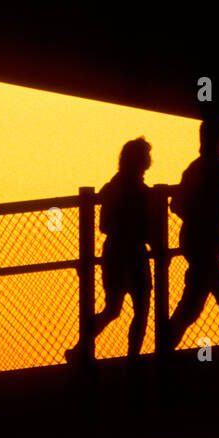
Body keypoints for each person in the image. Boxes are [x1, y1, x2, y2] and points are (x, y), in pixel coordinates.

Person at [65, 137, 154, 364]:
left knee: (114, 308)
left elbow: (104, 224)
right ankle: (132, 357)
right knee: (138, 308)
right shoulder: (135, 190)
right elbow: (109, 224)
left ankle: (82, 348)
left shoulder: (113, 186)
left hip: (115, 251)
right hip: (131, 252)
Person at [168, 117, 219, 355]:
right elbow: (181, 204)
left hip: (197, 239)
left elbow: (176, 204)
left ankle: (164, 344)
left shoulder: (197, 168)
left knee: (194, 303)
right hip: (204, 240)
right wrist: (204, 216)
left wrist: (196, 215)